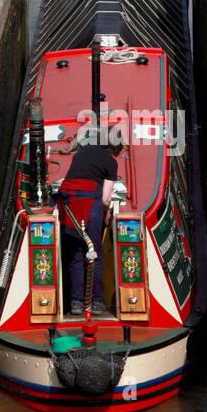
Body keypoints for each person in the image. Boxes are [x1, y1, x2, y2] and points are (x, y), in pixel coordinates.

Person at [58, 135, 125, 316]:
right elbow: (105, 198)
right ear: (117, 150)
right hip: (90, 205)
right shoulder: (111, 162)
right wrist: (107, 212)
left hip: (68, 203)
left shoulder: (83, 151)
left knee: (75, 254)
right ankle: (96, 302)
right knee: (94, 253)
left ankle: (76, 302)